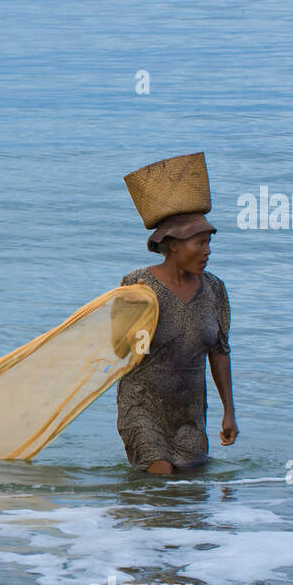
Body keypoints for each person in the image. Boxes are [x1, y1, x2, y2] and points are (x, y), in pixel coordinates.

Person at [117, 154, 238, 474]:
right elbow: (119, 349)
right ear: (174, 246)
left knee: (189, 496)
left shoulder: (215, 290)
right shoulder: (138, 286)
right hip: (141, 408)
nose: (207, 251)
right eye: (200, 243)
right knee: (160, 476)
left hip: (189, 416)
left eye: (209, 243)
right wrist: (136, 310)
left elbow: (220, 352)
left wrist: (229, 411)